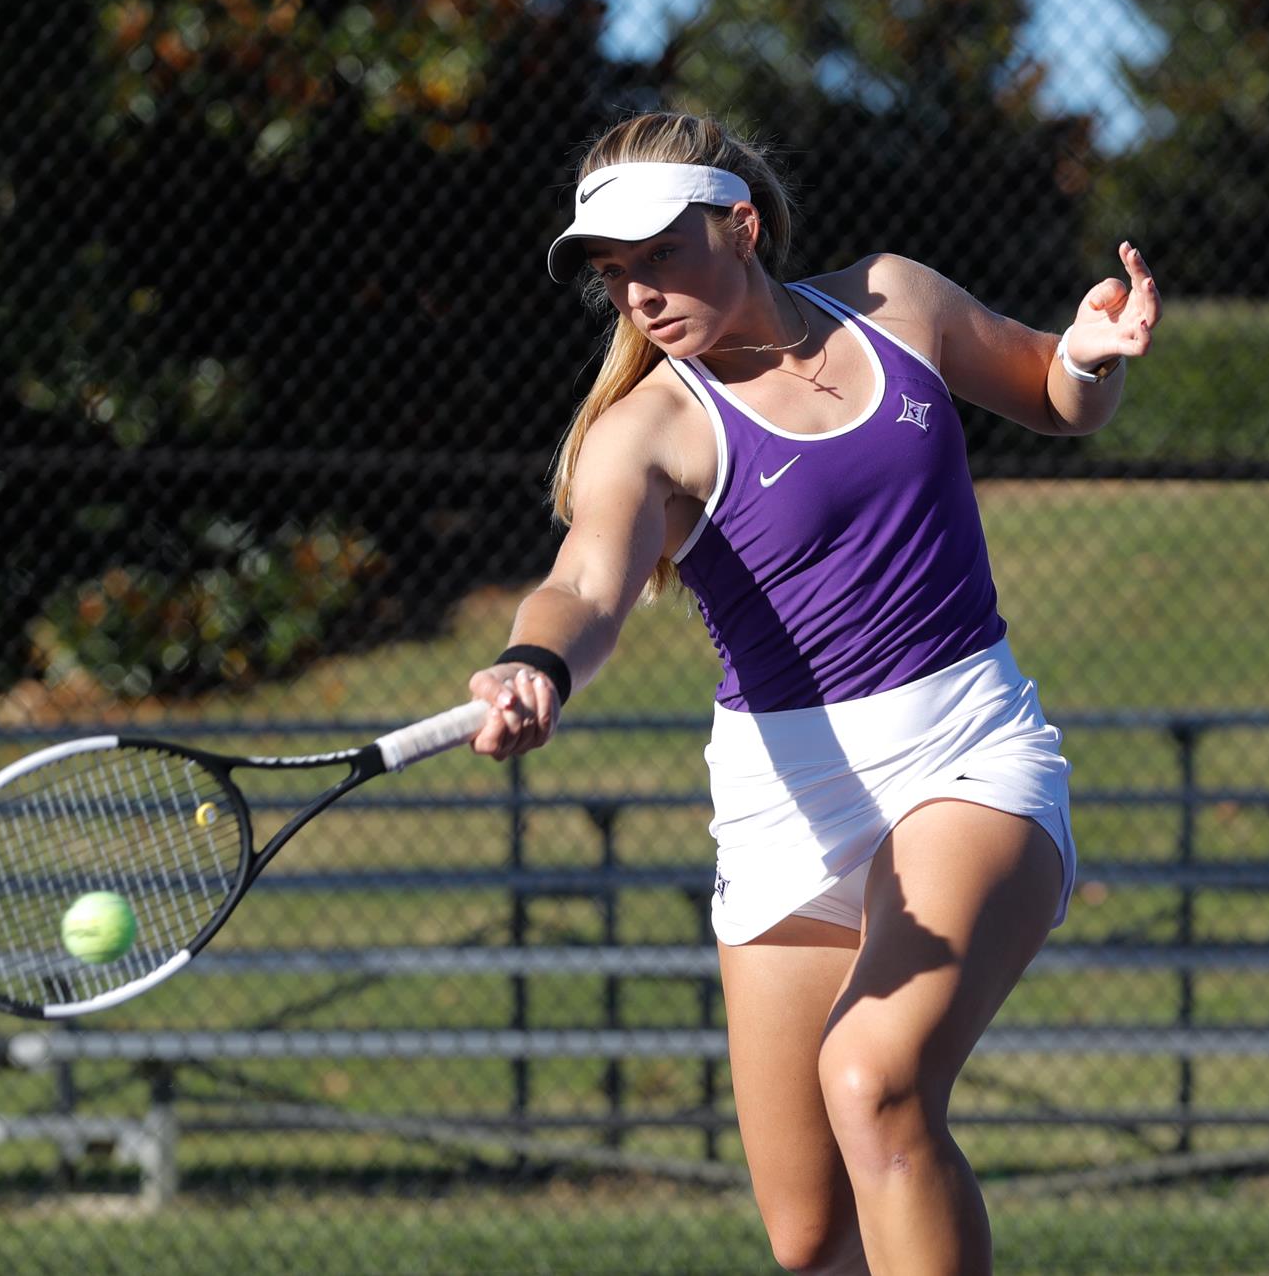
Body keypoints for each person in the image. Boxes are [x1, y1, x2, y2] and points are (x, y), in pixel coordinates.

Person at [465, 111, 1159, 1276]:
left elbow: (1051, 391)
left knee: (872, 1082)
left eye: (659, 258)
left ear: (738, 226)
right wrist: (533, 664)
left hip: (963, 752)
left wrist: (1087, 355)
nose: (636, 296)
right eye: (612, 275)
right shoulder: (646, 431)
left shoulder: (897, 302)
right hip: (783, 805)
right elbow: (582, 585)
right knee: (811, 1240)